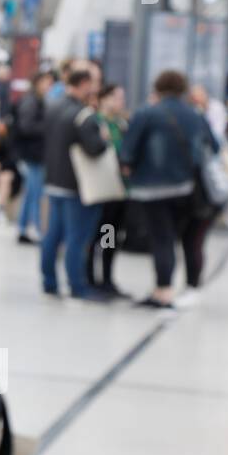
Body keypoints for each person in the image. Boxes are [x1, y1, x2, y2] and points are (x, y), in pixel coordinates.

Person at [120, 70, 222, 309]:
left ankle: (163, 290)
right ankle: (188, 287)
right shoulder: (195, 115)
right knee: (185, 239)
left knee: (161, 239)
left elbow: (127, 152)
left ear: (157, 87)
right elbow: (214, 147)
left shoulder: (147, 113)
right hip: (187, 188)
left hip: (152, 188)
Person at [40, 68, 111, 302]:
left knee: (53, 235)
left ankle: (49, 282)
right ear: (83, 84)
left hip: (53, 179)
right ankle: (77, 285)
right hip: (77, 184)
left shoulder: (52, 107)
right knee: (76, 238)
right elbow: (94, 148)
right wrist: (104, 139)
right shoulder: (84, 115)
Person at [86, 84, 130, 298]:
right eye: (116, 97)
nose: (120, 102)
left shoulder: (121, 124)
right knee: (95, 235)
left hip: (119, 190)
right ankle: (90, 278)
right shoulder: (95, 122)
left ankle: (107, 278)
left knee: (111, 236)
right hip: (101, 189)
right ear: (103, 99)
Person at [13, 70, 53, 244]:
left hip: (35, 154)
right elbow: (26, 127)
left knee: (31, 192)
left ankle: (24, 227)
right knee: (34, 192)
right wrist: (49, 126)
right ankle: (33, 228)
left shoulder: (39, 101)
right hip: (32, 155)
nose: (49, 86)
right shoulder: (31, 102)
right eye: (46, 82)